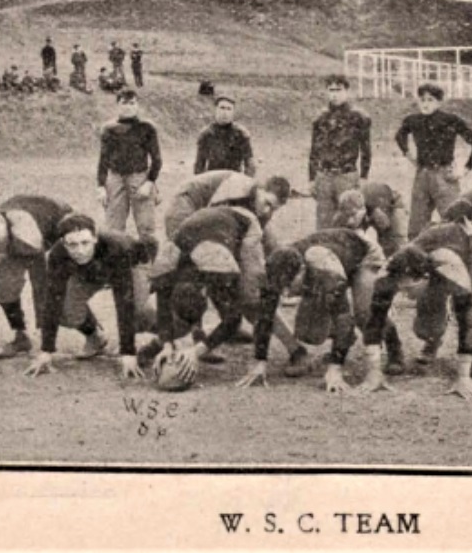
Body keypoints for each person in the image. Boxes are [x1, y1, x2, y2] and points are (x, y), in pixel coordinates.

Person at [145, 205, 309, 383]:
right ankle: (189, 342)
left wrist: (196, 351)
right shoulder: (165, 267)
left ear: (204, 289)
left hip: (243, 223)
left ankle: (296, 350)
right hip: (206, 230)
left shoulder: (217, 264)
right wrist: (167, 343)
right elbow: (162, 306)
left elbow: (233, 319)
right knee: (230, 303)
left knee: (251, 300)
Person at [238, 227, 404, 390]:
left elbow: (343, 316)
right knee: (310, 333)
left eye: (290, 285)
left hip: (362, 256)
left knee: (364, 314)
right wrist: (260, 361)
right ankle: (345, 340)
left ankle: (394, 347)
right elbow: (265, 314)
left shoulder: (323, 266)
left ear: (302, 270)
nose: (286, 293)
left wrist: (335, 368)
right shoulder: (275, 268)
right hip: (332, 256)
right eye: (282, 287)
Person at [357, 214, 472, 400]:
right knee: (427, 330)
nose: (405, 295)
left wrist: (463, 376)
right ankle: (433, 340)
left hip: (470, 246)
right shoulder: (388, 274)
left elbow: (469, 321)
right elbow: (374, 319)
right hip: (429, 253)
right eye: (401, 289)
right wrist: (373, 371)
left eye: (409, 289)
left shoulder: (449, 266)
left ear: (423, 279)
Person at [25, 214, 157, 380]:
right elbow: (53, 300)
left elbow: (124, 301)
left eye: (85, 243)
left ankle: (168, 335)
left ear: (95, 238)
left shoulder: (116, 247)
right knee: (67, 310)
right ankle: (95, 338)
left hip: (133, 263)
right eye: (72, 245)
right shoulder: (57, 255)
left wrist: (128, 352)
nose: (80, 251)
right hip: (89, 270)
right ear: (63, 243)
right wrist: (46, 351)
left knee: (139, 311)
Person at [0, 195, 74, 361]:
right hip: (14, 238)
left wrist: (43, 345)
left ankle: (94, 335)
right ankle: (21, 337)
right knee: (4, 286)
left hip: (57, 226)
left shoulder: (26, 234)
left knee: (63, 296)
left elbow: (40, 284)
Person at [394, 82, 472, 239]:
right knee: (416, 226)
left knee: (456, 222)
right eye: (422, 99)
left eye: (430, 100)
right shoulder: (413, 120)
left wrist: (464, 170)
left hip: (444, 175)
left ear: (439, 102)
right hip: (422, 175)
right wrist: (410, 156)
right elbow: (399, 136)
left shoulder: (450, 120)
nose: (425, 104)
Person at [96, 89, 162, 242]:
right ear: (118, 105)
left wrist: (150, 183)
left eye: (132, 103)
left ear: (137, 105)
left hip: (139, 177)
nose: (128, 107)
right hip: (115, 178)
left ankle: (148, 261)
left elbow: (157, 159)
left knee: (146, 224)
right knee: (113, 225)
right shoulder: (109, 129)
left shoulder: (147, 128)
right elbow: (103, 159)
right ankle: (117, 262)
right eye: (124, 103)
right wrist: (100, 186)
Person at [308, 74, 372, 230]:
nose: (334, 94)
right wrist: (311, 178)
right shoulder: (320, 118)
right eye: (331, 90)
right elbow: (314, 150)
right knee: (323, 225)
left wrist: (364, 176)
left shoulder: (359, 117)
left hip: (347, 175)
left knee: (350, 221)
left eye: (339, 90)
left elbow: (366, 149)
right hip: (324, 176)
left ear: (347, 91)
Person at [332, 181, 408, 258]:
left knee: (393, 245)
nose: (350, 221)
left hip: (391, 201)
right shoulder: (339, 217)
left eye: (353, 215)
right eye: (347, 216)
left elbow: (386, 226)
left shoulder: (377, 211)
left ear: (363, 209)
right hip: (371, 202)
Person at [194, 94, 256, 176]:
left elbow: (249, 163)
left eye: (229, 109)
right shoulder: (206, 134)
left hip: (234, 179)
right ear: (215, 110)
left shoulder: (241, 134)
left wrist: (245, 183)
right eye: (222, 108)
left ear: (233, 112)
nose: (225, 112)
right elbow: (199, 165)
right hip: (212, 179)